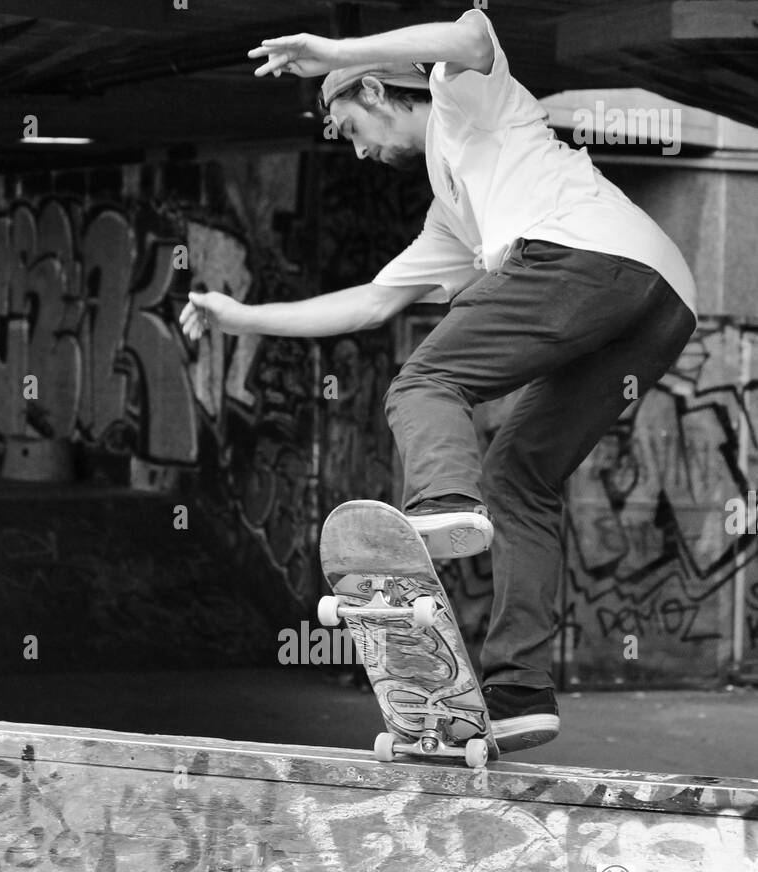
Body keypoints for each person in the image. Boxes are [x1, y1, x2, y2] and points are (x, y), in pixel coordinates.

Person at [180, 8, 696, 752]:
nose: (356, 151)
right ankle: (519, 691)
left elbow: (472, 31)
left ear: (379, 93)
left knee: (421, 383)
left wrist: (334, 51)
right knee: (520, 473)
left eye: (352, 129)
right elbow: (373, 302)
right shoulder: (454, 215)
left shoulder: (462, 95)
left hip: (583, 261)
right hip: (659, 302)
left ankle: (445, 503)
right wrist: (243, 316)